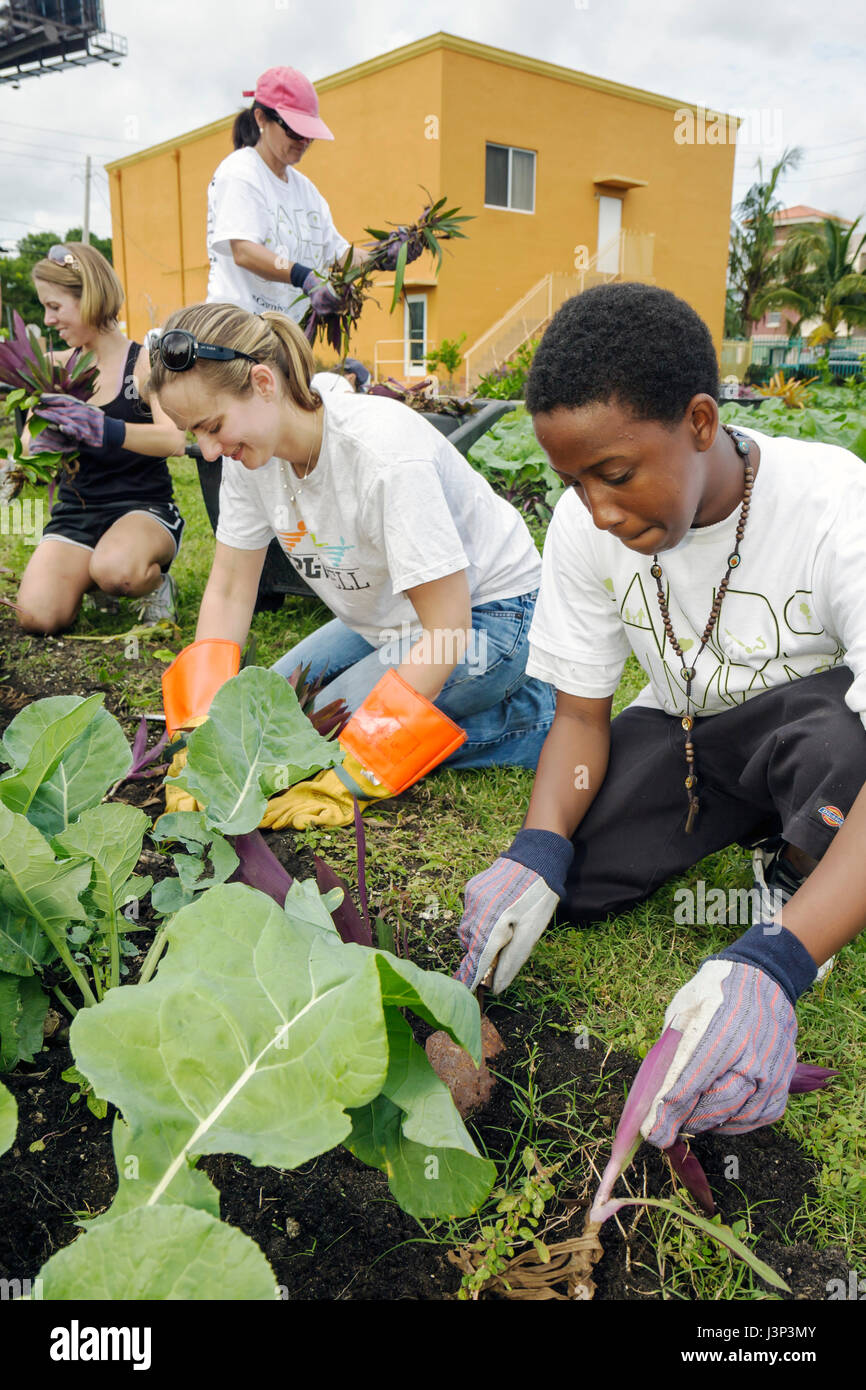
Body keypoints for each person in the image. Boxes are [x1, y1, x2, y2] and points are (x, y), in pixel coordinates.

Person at [455, 281, 866, 1149]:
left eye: (614, 474)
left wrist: (781, 960)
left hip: (815, 738)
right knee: (577, 871)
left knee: (835, 747)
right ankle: (745, 833)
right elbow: (579, 718)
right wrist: (536, 847)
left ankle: (798, 876)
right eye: (573, 483)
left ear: (703, 422)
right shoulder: (585, 526)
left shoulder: (836, 504)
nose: (598, 511)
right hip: (687, 731)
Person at [148, 301, 556, 827]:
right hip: (389, 615)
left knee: (310, 742)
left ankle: (540, 720)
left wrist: (358, 768)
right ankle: (456, 703)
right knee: (255, 721)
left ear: (264, 383)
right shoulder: (251, 458)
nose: (206, 450)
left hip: (490, 618)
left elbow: (448, 629)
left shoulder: (382, 455)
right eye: (194, 434)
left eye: (212, 426)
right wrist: (199, 726)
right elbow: (228, 591)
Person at [15, 243, 187, 634]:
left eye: (55, 307)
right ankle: (90, 578)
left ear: (89, 297)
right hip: (76, 513)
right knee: (35, 617)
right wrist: (42, 444)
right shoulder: (53, 368)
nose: (47, 319)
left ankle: (154, 584)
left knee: (117, 570)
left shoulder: (144, 361)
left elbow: (173, 439)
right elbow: (27, 445)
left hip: (142, 506)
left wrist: (102, 428)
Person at [207, 67, 409, 325]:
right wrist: (302, 276)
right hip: (238, 333)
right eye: (293, 131)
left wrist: (384, 256)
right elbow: (244, 251)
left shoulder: (307, 192)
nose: (303, 141)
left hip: (285, 336)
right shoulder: (240, 172)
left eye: (308, 135)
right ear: (261, 118)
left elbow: (338, 255)